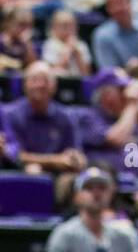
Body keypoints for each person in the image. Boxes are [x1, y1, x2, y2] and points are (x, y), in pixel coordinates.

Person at [44, 167, 138, 252]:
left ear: (111, 194)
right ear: (76, 196)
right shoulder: (64, 235)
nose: (96, 193)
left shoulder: (124, 236)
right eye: (88, 188)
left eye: (102, 188)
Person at [0, 61, 84, 193]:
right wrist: (55, 161)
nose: (40, 85)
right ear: (25, 85)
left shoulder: (65, 117)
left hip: (59, 174)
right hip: (20, 170)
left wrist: (76, 159)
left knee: (79, 179)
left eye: (45, 80)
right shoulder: (9, 114)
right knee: (33, 173)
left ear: (54, 86)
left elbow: (74, 151)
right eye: (34, 80)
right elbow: (15, 155)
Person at [42, 7, 92, 76]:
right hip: (60, 82)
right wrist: (68, 48)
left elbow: (86, 74)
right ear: (54, 27)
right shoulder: (50, 44)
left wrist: (77, 53)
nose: (69, 29)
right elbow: (55, 71)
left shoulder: (81, 45)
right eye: (64, 25)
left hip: (78, 83)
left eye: (72, 25)